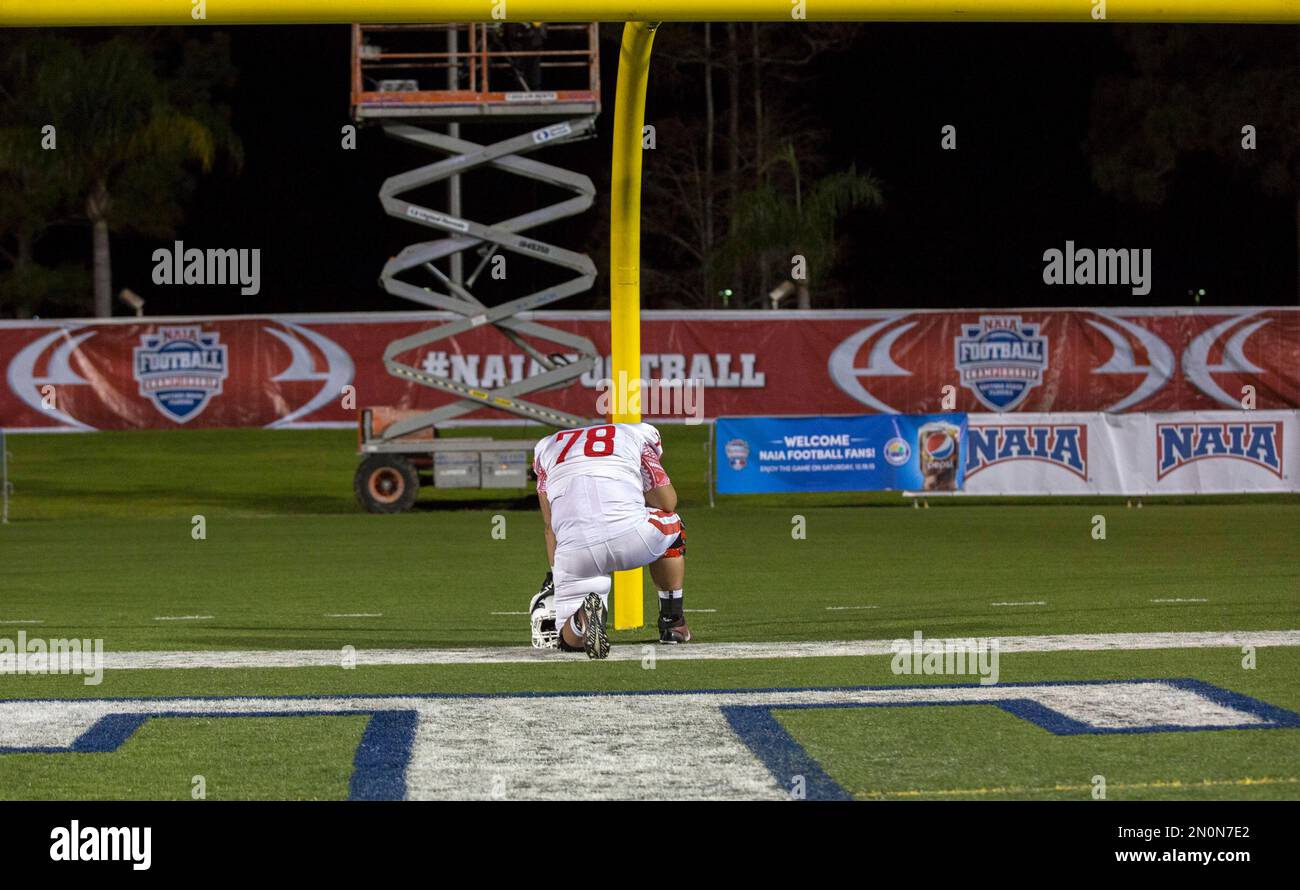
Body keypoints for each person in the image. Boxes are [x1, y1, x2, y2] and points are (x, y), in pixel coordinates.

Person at [529, 422, 690, 659]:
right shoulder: (635, 436)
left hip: (575, 551)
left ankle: (581, 619)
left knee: (568, 640)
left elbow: (550, 527)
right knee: (673, 523)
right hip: (632, 538)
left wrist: (558, 575)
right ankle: (672, 622)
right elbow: (667, 502)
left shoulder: (547, 448)